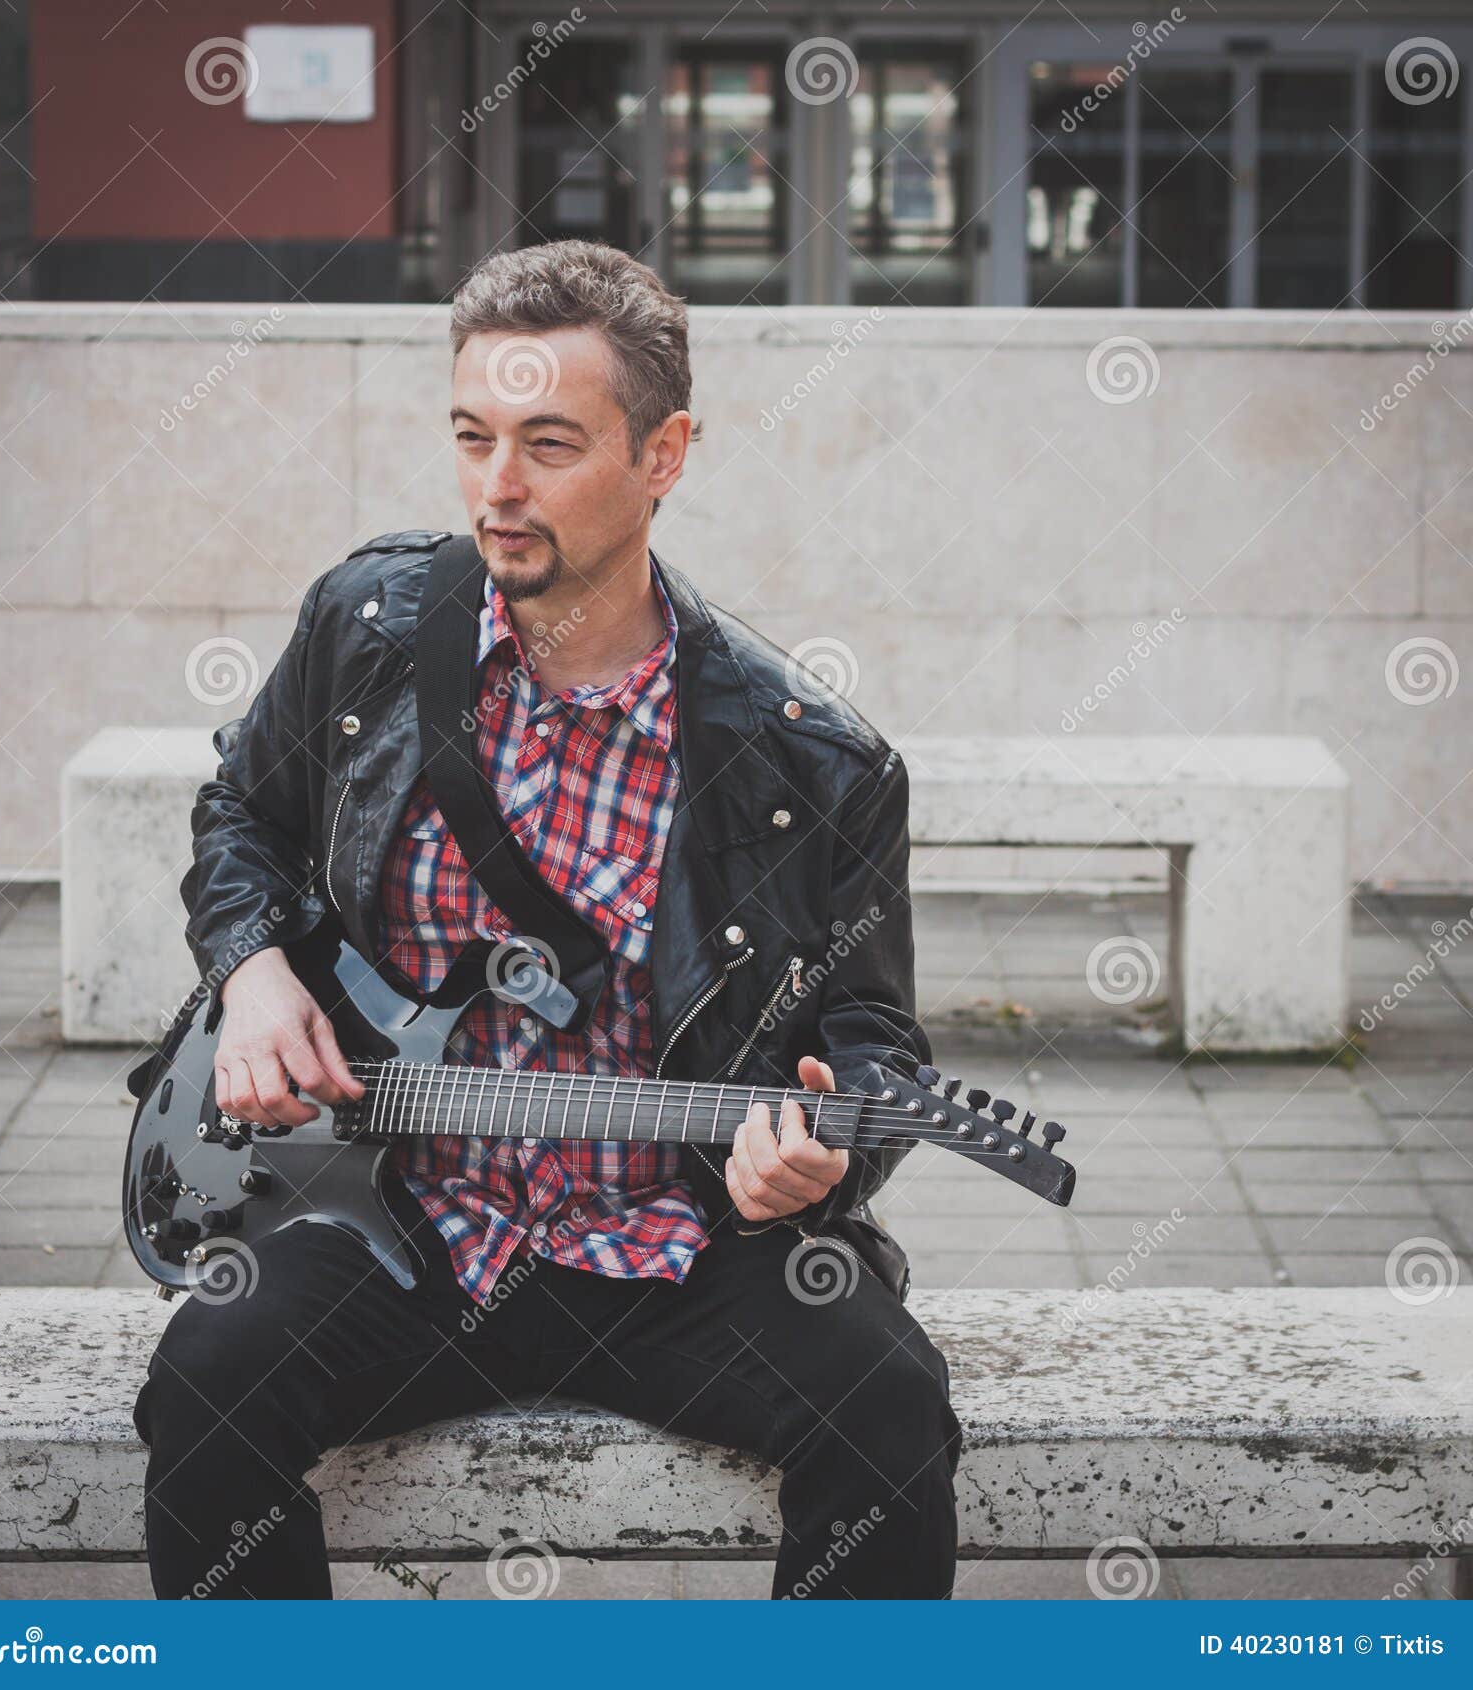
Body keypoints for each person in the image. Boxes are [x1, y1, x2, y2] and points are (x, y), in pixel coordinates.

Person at [134, 239, 962, 1601]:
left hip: (678, 1244)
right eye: (473, 438)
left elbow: (872, 1038)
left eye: (549, 444)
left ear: (664, 454)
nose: (496, 489)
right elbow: (240, 816)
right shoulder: (368, 627)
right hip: (406, 1223)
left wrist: (824, 1162)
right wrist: (254, 975)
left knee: (886, 1404)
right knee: (208, 1385)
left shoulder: (818, 765)